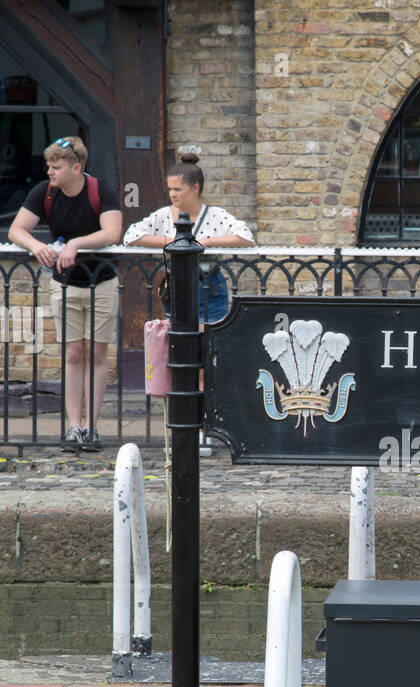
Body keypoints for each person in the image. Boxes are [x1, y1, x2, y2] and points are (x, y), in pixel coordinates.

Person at [9, 135, 122, 451]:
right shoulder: (44, 193)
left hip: (102, 281)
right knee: (73, 354)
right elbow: (18, 229)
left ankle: (92, 426)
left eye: (56, 166)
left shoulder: (101, 189)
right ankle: (74, 426)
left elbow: (113, 231)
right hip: (63, 282)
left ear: (76, 167)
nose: (49, 172)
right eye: (48, 166)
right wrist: (35, 245)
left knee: (97, 354)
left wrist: (75, 244)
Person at [123, 154, 254, 323]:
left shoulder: (215, 215)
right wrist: (172, 242)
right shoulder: (163, 215)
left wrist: (207, 242)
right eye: (170, 189)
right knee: (179, 340)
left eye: (177, 189)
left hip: (209, 286)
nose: (172, 194)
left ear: (195, 188)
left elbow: (246, 238)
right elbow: (131, 236)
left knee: (209, 341)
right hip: (176, 287)